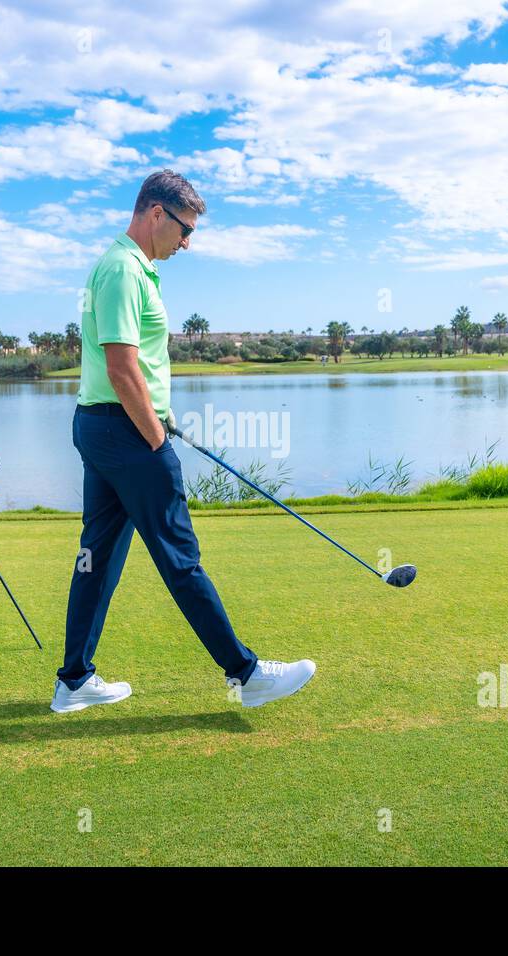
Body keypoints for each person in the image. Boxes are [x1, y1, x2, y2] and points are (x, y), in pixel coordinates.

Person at [52, 170, 315, 714]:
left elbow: (129, 368)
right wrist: (153, 434)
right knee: (180, 558)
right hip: (125, 433)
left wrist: (158, 414)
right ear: (155, 214)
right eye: (184, 229)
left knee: (95, 558)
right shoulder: (124, 271)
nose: (187, 242)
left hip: (103, 427)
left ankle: (74, 680)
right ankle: (245, 673)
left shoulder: (128, 268)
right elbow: (123, 368)